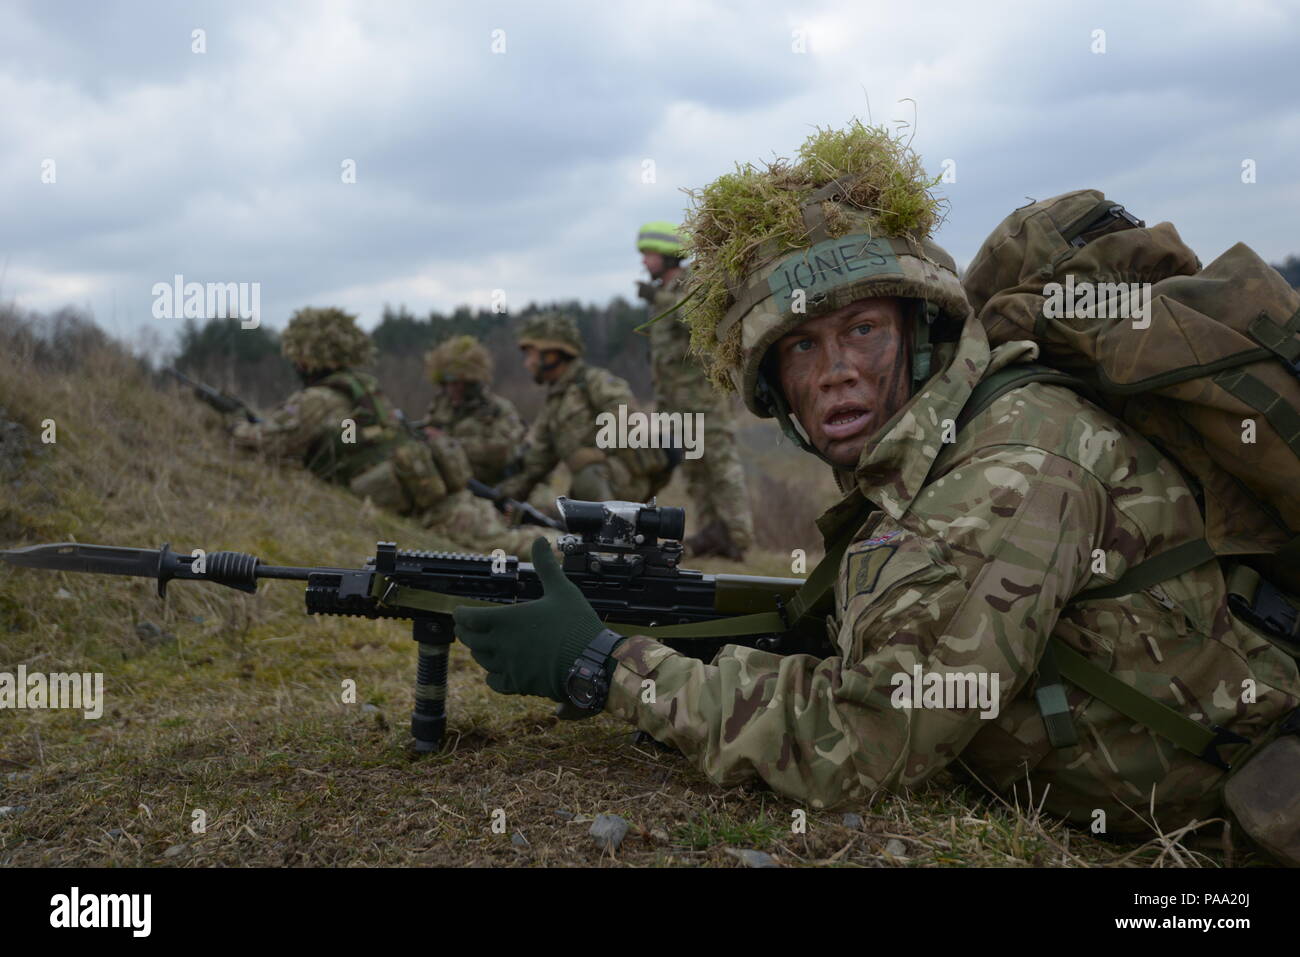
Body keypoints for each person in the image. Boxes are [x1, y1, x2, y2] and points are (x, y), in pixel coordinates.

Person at [450, 122, 1300, 840]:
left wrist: (607, 664)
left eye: (862, 330)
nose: (837, 374)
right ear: (774, 386)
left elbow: (861, 742)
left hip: (1224, 840)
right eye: (802, 347)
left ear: (922, 330)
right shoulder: (922, 460)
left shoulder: (1013, 463)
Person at [230, 306, 454, 521]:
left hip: (368, 496)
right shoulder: (363, 387)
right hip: (397, 491)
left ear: (306, 358)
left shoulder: (317, 399)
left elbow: (272, 442)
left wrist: (236, 425)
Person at [637, 221, 754, 560]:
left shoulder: (691, 286)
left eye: (649, 255)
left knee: (722, 469)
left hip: (704, 404)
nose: (644, 262)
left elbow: (694, 323)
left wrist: (658, 298)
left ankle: (739, 538)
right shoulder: (664, 296)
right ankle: (714, 535)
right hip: (676, 407)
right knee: (696, 474)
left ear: (669, 255)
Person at [497, 312, 672, 506]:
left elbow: (627, 418)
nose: (527, 363)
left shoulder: (594, 381)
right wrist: (502, 497)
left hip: (624, 478)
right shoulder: (555, 403)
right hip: (596, 484)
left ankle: (612, 527)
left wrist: (597, 452)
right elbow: (537, 461)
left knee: (586, 473)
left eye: (531, 354)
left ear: (552, 353)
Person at [420, 335, 525, 487]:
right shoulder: (440, 406)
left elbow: (505, 450)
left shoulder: (498, 409)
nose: (453, 388)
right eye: (448, 382)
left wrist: (450, 444)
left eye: (458, 382)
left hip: (492, 484)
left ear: (471, 382)